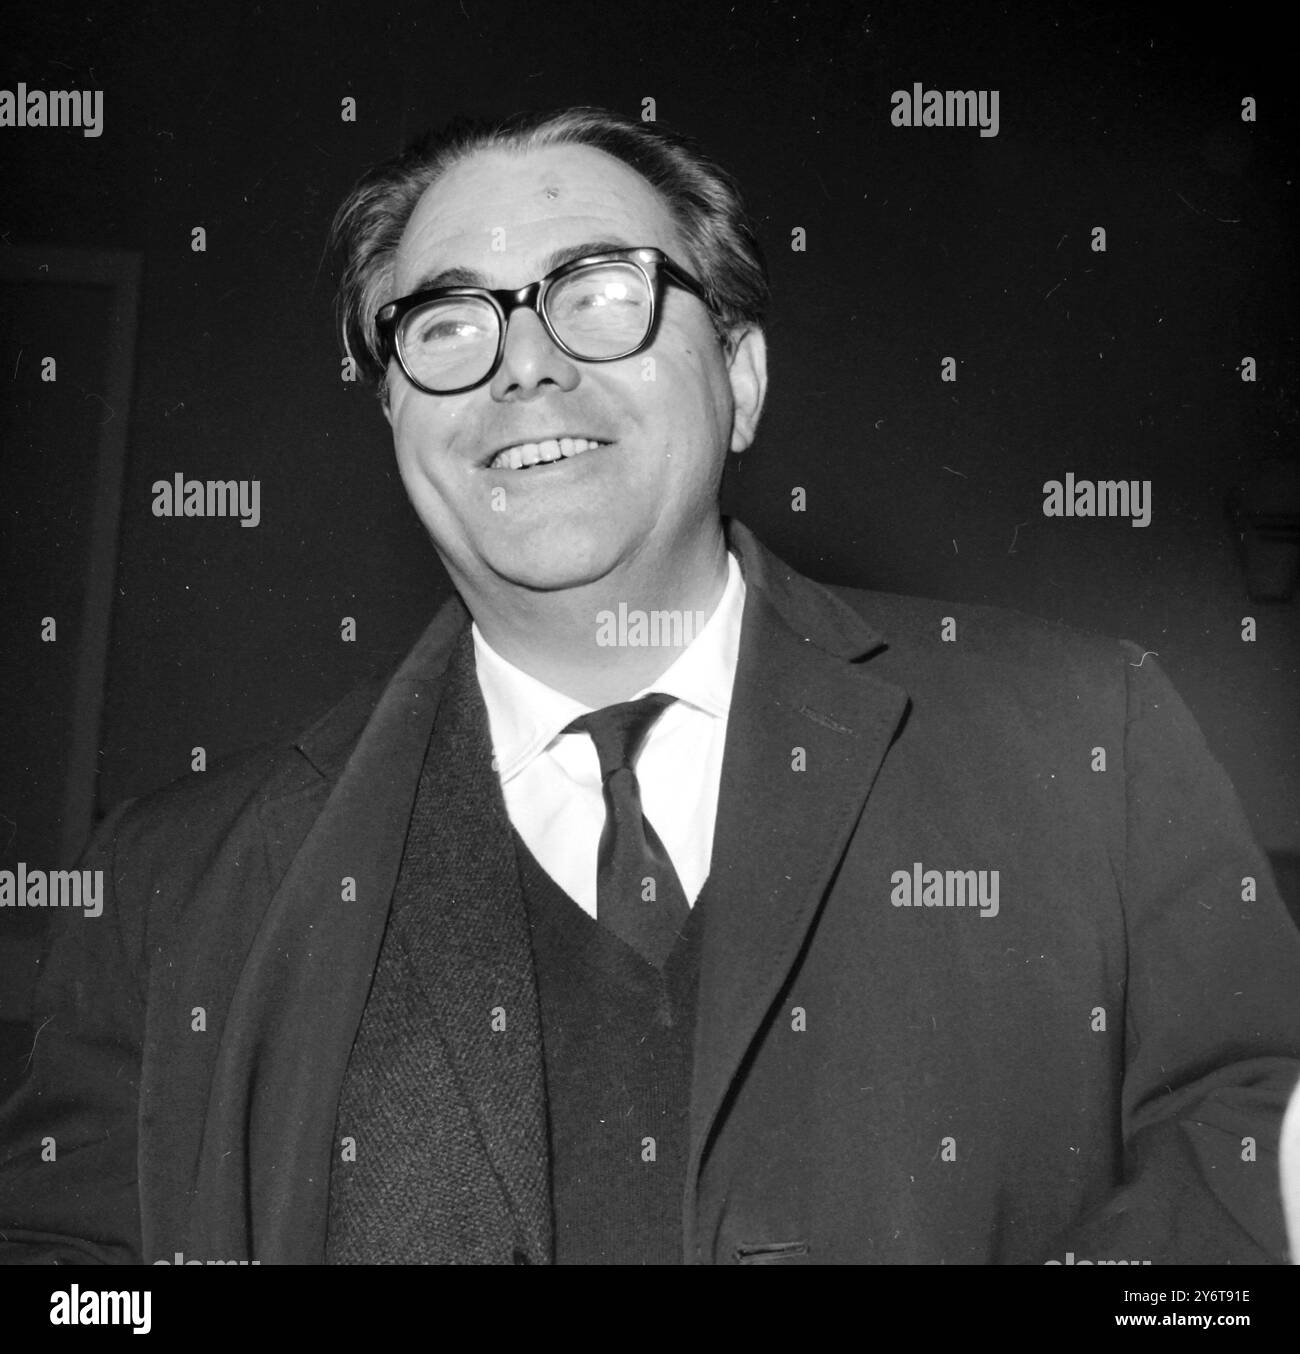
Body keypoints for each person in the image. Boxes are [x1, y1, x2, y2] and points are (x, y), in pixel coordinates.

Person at [2, 106, 1298, 1266]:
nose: (525, 363)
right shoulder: (166, 888)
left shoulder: (1087, 738)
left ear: (739, 376)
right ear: (394, 413)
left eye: (601, 291)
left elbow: (1256, 1139)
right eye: (448, 320)